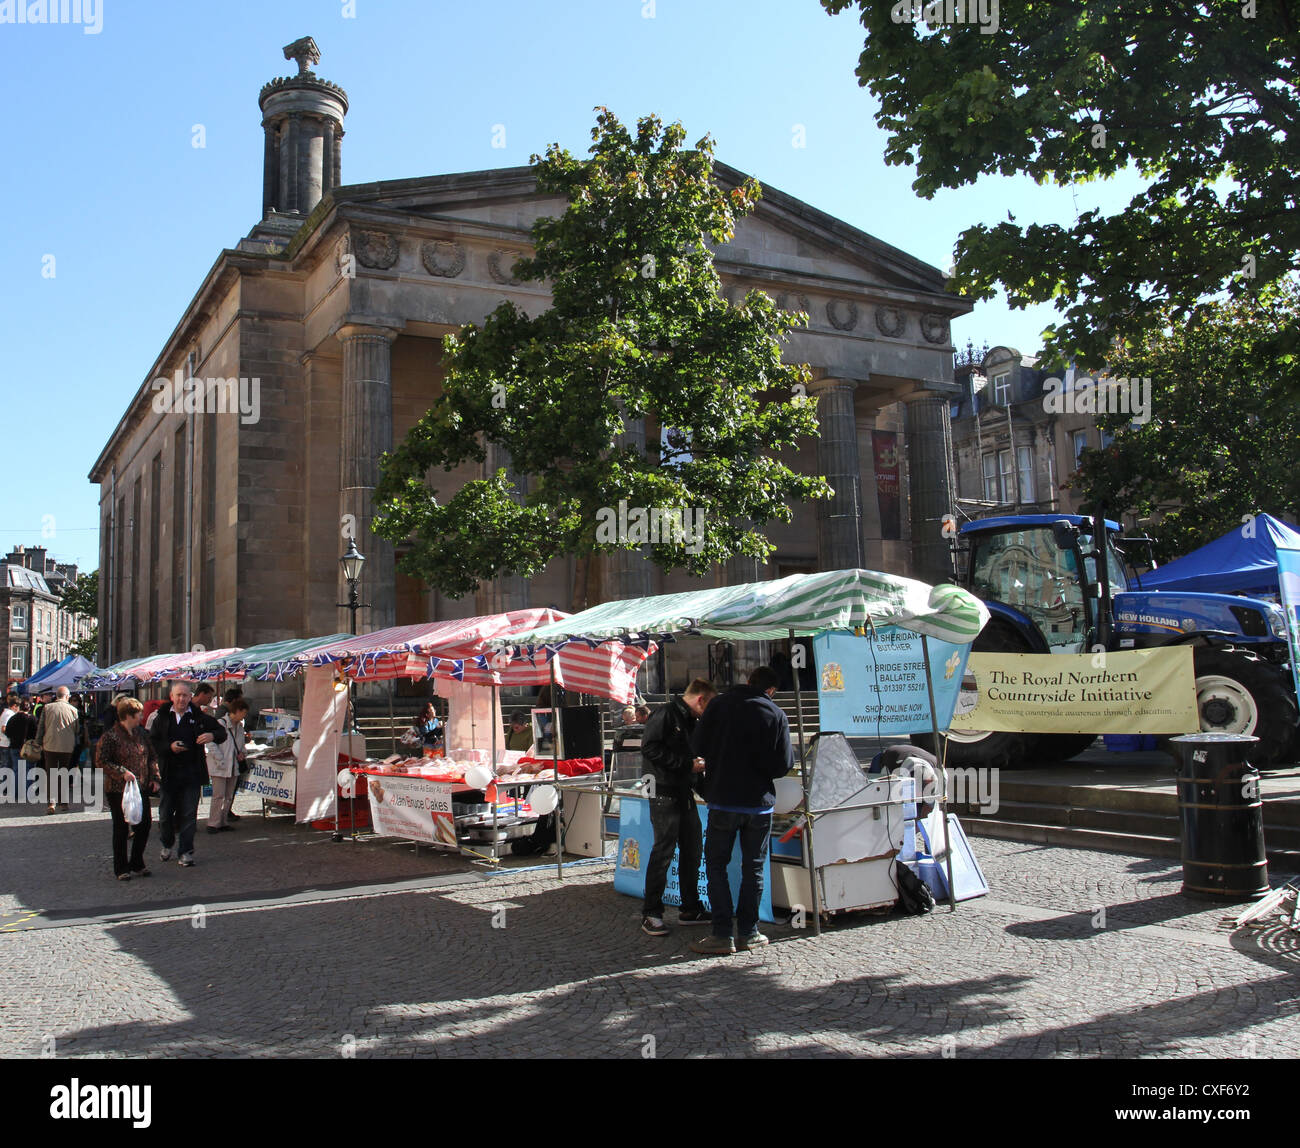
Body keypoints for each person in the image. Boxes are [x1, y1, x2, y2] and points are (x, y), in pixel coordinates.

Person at [689, 665, 794, 956]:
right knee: (754, 868)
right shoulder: (776, 714)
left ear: (748, 681)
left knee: (715, 865)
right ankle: (748, 931)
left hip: (723, 797)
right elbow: (783, 765)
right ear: (770, 690)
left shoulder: (719, 704)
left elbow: (697, 745)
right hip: (757, 803)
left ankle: (722, 933)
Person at [639, 678, 718, 936]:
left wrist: (706, 789)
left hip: (683, 792)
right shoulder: (666, 714)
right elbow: (649, 748)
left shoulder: (691, 720)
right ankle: (651, 912)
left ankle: (690, 907)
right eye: (710, 706)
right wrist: (686, 765)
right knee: (664, 852)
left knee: (693, 850)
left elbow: (691, 760)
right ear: (700, 700)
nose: (710, 713)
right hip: (663, 792)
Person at [151, 682, 226, 867]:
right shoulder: (161, 717)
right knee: (165, 814)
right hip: (169, 773)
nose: (182, 699)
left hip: (191, 773)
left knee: (189, 814)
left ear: (190, 697)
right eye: (178, 695)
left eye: (185, 695)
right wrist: (169, 748)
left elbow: (221, 732)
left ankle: (186, 851)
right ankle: (167, 844)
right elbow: (152, 742)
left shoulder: (198, 716)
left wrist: (211, 736)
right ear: (172, 697)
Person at [95, 696, 162, 880]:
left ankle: (137, 862)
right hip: (118, 789)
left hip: (140, 787)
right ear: (128, 715)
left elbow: (152, 756)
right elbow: (101, 760)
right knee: (122, 828)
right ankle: (121, 868)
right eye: (138, 713)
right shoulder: (111, 736)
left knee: (144, 824)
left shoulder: (141, 734)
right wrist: (121, 772)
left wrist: (155, 777)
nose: (141, 716)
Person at [205, 698, 248, 832]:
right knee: (218, 796)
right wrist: (220, 759)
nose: (244, 716)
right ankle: (213, 823)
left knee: (229, 796)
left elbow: (241, 746)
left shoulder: (240, 727)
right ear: (237, 711)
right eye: (244, 713)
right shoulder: (219, 724)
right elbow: (210, 743)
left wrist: (243, 753)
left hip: (233, 766)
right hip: (220, 766)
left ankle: (223, 821)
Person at [35, 687, 80, 814]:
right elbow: (77, 730)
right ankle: (64, 802)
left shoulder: (47, 708)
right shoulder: (73, 710)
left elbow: (41, 727)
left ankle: (52, 803)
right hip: (67, 746)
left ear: (56, 696)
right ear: (67, 696)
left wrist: (38, 742)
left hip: (50, 745)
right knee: (64, 773)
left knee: (51, 774)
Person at [0, 692, 17, 780]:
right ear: (14, 706)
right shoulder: (9, 714)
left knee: (5, 766)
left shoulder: (6, 713)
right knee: (5, 766)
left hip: (4, 743)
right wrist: (11, 735)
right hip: (6, 743)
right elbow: (3, 728)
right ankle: (3, 786)